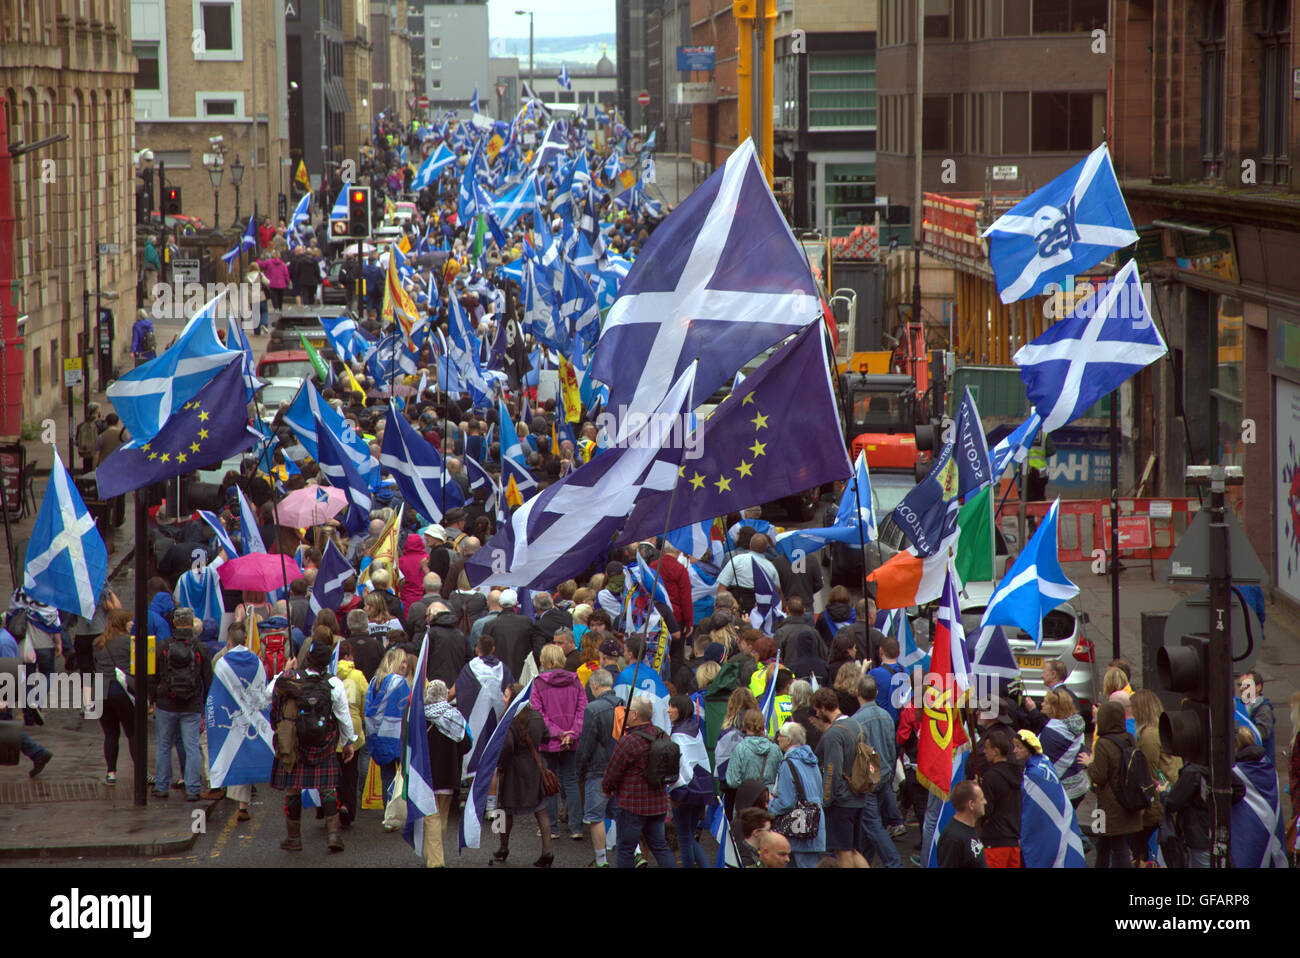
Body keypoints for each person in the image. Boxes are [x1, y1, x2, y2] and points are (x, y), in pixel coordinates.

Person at [267, 639, 359, 852]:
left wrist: (284, 672)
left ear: (307, 659)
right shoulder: (334, 683)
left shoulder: (291, 678)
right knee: (328, 789)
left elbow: (268, 694)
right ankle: (334, 835)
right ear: (327, 662)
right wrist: (347, 743)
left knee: (293, 790)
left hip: (296, 743)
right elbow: (344, 717)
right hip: (323, 742)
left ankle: (294, 838)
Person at [601, 695, 678, 868]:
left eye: (627, 711)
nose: (625, 714)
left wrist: (606, 788)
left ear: (635, 715)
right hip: (657, 804)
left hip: (632, 805)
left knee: (626, 849)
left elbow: (613, 772)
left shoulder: (628, 741)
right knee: (660, 846)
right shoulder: (663, 735)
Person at [153, 608, 213, 802]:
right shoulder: (200, 648)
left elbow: (153, 676)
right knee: (192, 746)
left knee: (164, 745)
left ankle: (162, 786)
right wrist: (203, 705)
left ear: (175, 623)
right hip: (191, 704)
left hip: (165, 704)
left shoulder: (162, 646)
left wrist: (154, 698)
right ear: (191, 623)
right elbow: (208, 679)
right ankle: (193, 788)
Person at [492, 683, 555, 868]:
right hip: (535, 768)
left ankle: (502, 848)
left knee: (503, 810)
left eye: (506, 695)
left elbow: (507, 746)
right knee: (541, 811)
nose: (503, 698)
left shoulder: (508, 718)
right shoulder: (536, 716)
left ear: (513, 698)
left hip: (513, 771)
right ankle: (547, 852)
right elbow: (546, 737)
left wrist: (500, 764)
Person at [532, 643, 586, 841]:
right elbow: (582, 710)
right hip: (572, 740)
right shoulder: (575, 681)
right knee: (571, 781)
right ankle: (576, 827)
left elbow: (539, 714)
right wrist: (571, 733)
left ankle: (552, 828)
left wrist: (557, 733)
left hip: (549, 740)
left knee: (549, 782)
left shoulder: (538, 683)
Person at [810, 687, 869, 867]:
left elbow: (832, 771)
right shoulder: (856, 725)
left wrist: (826, 800)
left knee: (843, 852)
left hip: (841, 801)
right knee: (853, 850)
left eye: (816, 710)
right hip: (859, 795)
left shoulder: (833, 734)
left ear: (821, 708)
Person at [850, 673, 903, 867]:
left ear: (857, 692)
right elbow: (891, 748)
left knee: (873, 827)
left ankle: (894, 863)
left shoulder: (857, 721)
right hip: (884, 777)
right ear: (877, 692)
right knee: (869, 828)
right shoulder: (887, 716)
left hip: (868, 782)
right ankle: (864, 861)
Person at [1084, 700, 1143, 867]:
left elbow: (1099, 777)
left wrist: (1089, 764)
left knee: (1117, 846)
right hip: (1127, 801)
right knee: (1103, 844)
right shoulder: (1129, 738)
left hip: (1106, 808)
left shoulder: (1103, 743)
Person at [422, 679, 471, 868]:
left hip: (429, 775)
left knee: (431, 816)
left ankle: (435, 860)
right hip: (450, 774)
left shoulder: (423, 718)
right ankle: (432, 852)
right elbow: (466, 744)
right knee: (441, 817)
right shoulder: (456, 716)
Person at [1130, 688, 1182, 866]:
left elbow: (1148, 773)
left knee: (1138, 844)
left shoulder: (1149, 735)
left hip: (1159, 799)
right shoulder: (1164, 726)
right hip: (1172, 788)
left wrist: (1147, 807)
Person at [575, 669, 620, 867]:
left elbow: (586, 745)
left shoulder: (593, 708)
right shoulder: (624, 706)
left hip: (598, 770)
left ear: (594, 686)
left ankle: (601, 860)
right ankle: (634, 853)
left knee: (595, 817)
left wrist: (580, 771)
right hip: (621, 768)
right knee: (620, 815)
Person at [668, 693, 715, 868]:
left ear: (681, 710)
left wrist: (676, 793)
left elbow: (681, 768)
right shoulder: (695, 730)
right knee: (689, 835)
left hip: (685, 792)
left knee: (684, 837)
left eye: (672, 706)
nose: (668, 710)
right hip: (700, 790)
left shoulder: (678, 735)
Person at [770, 721, 826, 868]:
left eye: (780, 736)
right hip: (814, 823)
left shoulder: (788, 764)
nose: (777, 739)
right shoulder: (812, 761)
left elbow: (786, 802)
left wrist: (770, 806)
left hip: (797, 828)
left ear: (788, 740)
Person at [92, 609, 136, 785]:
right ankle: (141, 772)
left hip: (101, 692)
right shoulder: (129, 642)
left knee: (110, 735)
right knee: (133, 733)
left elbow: (95, 666)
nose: (132, 624)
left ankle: (111, 773)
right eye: (129, 621)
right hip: (121, 690)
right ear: (122, 623)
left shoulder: (98, 642)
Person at [364, 647, 412, 805]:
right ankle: (400, 812)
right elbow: (404, 711)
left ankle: (388, 814)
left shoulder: (374, 681)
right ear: (393, 662)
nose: (405, 665)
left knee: (386, 776)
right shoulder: (399, 682)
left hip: (377, 735)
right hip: (396, 736)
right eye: (402, 661)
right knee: (405, 776)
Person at [334, 639, 368, 827]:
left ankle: (335, 804)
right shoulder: (357, 675)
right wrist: (361, 718)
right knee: (351, 771)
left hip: (334, 726)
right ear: (348, 656)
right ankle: (348, 806)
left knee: (335, 770)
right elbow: (365, 698)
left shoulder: (330, 673)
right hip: (353, 724)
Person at [1039, 688, 1089, 809]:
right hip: (1079, 784)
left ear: (1054, 708)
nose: (1041, 704)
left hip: (1062, 790)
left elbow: (1043, 760)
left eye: (1045, 702)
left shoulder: (1051, 732)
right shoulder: (1076, 725)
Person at [935, 780, 988, 868]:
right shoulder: (953, 839)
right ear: (971, 804)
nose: (985, 802)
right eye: (981, 799)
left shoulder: (969, 828)